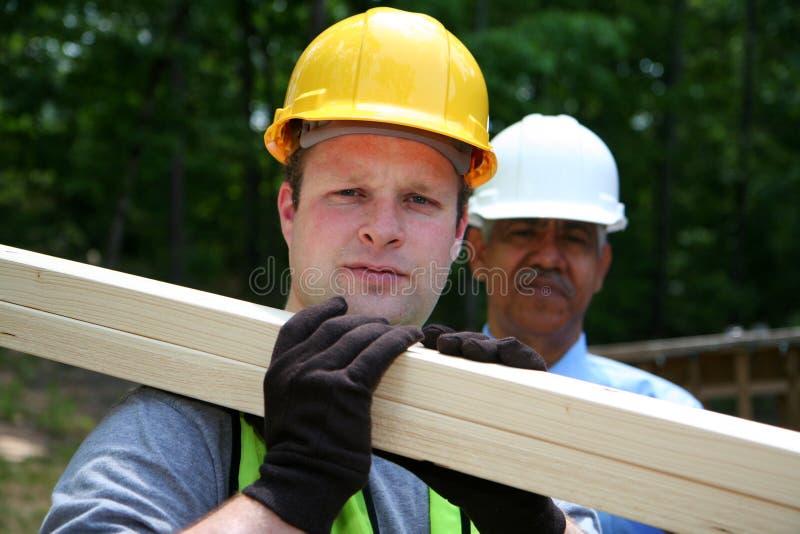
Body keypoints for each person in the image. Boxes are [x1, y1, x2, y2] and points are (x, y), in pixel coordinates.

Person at [41, 10, 599, 534]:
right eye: (350, 191)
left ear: (458, 234)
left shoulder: (506, 436)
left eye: (419, 199)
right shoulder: (180, 431)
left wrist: (537, 525)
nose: (383, 229)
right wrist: (287, 495)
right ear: (290, 212)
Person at [464, 113, 702, 533]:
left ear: (601, 267)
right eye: (523, 232)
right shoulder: (423, 402)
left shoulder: (675, 429)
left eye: (574, 238)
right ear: (479, 254)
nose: (549, 257)